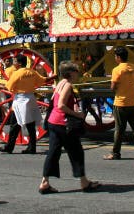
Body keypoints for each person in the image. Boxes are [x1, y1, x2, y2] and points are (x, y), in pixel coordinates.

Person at [39, 61, 100, 194]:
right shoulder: (67, 85)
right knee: (77, 152)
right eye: (76, 71)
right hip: (63, 123)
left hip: (53, 121)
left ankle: (45, 182)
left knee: (53, 153)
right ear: (71, 73)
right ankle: (84, 182)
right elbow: (61, 105)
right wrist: (77, 114)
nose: (78, 74)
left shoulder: (60, 83)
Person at [104, 45, 134, 161]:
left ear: (119, 57)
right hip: (132, 103)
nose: (115, 58)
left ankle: (115, 153)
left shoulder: (116, 70)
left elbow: (112, 88)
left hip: (120, 104)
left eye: (115, 56)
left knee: (119, 130)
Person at [0, 53, 47, 154]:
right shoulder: (32, 72)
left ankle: (9, 147)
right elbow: (42, 81)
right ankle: (32, 147)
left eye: (15, 61)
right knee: (30, 125)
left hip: (20, 100)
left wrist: (3, 87)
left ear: (19, 63)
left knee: (14, 125)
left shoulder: (17, 73)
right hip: (30, 99)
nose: (13, 63)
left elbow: (9, 86)